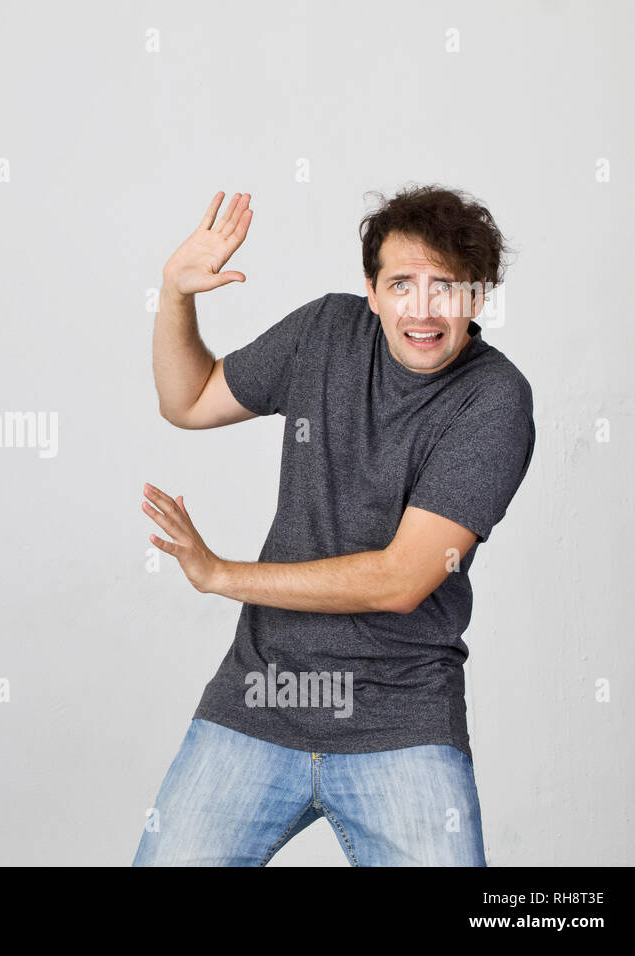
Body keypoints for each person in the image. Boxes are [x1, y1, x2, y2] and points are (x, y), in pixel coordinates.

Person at [135, 185, 534, 866]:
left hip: (401, 719)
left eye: (447, 286)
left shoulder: (494, 399)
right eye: (402, 283)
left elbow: (401, 579)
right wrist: (175, 294)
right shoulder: (325, 332)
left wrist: (221, 574)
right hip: (261, 698)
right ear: (372, 292)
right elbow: (189, 400)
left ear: (479, 296)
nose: (423, 307)